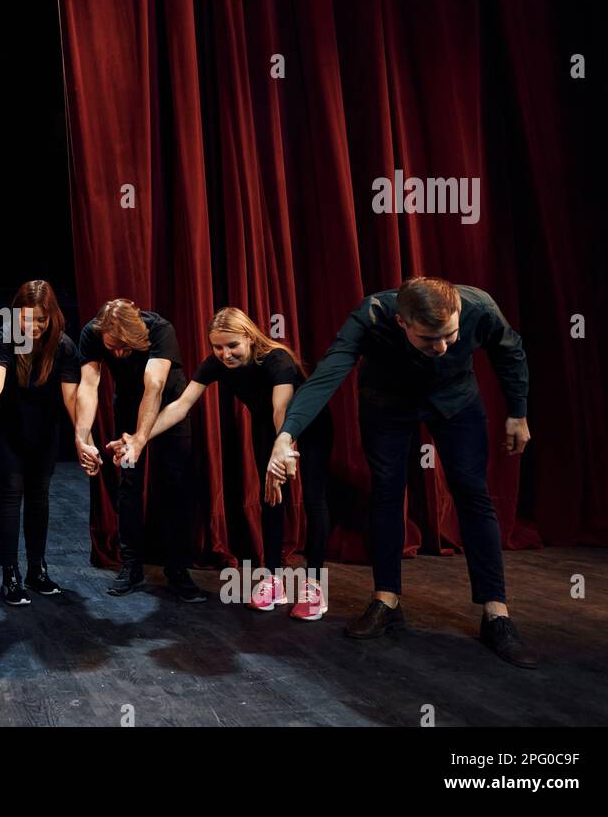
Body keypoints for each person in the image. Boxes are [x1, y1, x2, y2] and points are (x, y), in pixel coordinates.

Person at [267, 277, 537, 667]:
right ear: (402, 323)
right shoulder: (371, 316)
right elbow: (328, 375)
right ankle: (386, 600)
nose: (442, 347)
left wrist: (518, 412)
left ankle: (497, 613)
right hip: (387, 404)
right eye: (429, 339)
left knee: (472, 492)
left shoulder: (478, 305)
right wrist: (286, 433)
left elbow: (510, 351)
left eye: (450, 335)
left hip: (455, 401)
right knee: (387, 492)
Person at [111, 307, 333, 619]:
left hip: (308, 425)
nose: (225, 354)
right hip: (266, 426)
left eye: (232, 346)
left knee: (313, 499)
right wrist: (139, 438)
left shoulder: (276, 359)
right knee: (271, 499)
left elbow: (282, 408)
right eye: (217, 346)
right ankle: (272, 579)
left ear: (249, 337)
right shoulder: (215, 364)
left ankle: (313, 584)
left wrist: (284, 450)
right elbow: (181, 405)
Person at [74, 299, 204, 602]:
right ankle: (131, 566)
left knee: (176, 484)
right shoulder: (92, 333)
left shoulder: (160, 330)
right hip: (129, 406)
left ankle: (178, 570)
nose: (117, 354)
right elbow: (89, 386)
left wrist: (139, 439)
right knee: (129, 484)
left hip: (171, 407)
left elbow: (154, 386)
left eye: (124, 347)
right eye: (112, 348)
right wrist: (82, 436)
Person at [0, 280, 80, 605]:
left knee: (39, 497)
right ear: (15, 315)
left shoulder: (63, 346)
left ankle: (37, 570)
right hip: (6, 431)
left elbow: (72, 399)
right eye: (26, 318)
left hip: (45, 433)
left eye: (41, 319)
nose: (33, 326)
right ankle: (10, 575)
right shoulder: (1, 339)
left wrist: (84, 436)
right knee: (10, 495)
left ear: (51, 318)